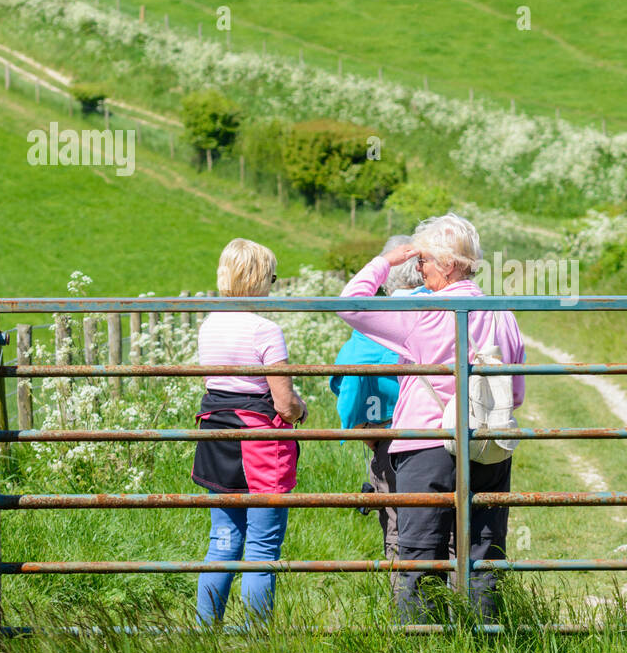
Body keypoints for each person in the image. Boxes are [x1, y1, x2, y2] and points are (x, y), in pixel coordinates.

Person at [337, 213, 525, 623]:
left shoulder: (421, 309)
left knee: (421, 555)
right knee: (483, 553)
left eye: (422, 260)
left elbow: (350, 304)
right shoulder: (501, 313)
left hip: (425, 445)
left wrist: (385, 261)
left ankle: (423, 649)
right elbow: (516, 392)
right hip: (487, 444)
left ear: (447, 264)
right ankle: (485, 645)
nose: (417, 268)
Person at [328, 235, 451, 598]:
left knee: (402, 526)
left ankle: (410, 607)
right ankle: (456, 606)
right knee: (453, 523)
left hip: (390, 439)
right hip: (447, 429)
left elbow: (348, 380)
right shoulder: (446, 308)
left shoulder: (377, 322)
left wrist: (361, 426)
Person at [192, 238, 306, 626]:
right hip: (258, 446)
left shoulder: (208, 325)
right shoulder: (265, 330)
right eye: (272, 276)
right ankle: (256, 636)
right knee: (262, 546)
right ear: (260, 279)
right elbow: (284, 403)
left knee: (222, 541)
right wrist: (301, 408)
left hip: (216, 439)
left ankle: (205, 630)